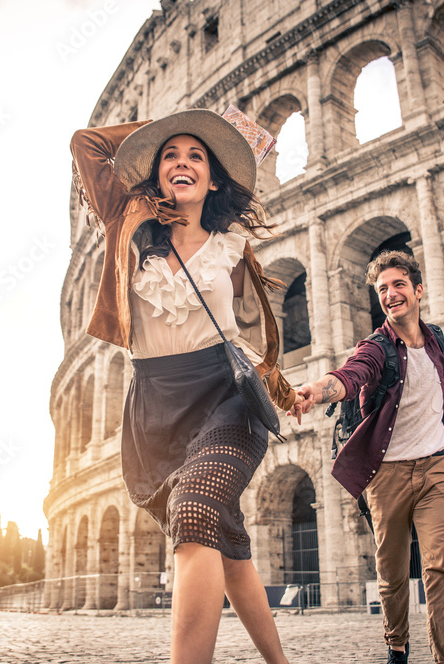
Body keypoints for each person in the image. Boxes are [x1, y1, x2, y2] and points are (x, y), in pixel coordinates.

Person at [70, 109, 297, 664]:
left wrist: (287, 390)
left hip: (225, 399)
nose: (182, 162)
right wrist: (159, 135)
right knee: (231, 550)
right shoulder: (128, 223)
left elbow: (247, 335)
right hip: (155, 403)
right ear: (155, 173)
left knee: (195, 516)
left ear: (214, 179)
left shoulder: (233, 248)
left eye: (197, 155)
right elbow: (86, 142)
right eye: (170, 155)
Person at [290, 251, 444, 664]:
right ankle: (397, 644)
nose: (391, 295)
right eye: (382, 289)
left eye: (398, 285)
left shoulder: (437, 340)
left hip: (436, 468)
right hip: (387, 475)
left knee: (442, 562)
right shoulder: (376, 348)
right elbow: (350, 375)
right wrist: (317, 392)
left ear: (418, 290)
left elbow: (441, 391)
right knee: (392, 574)